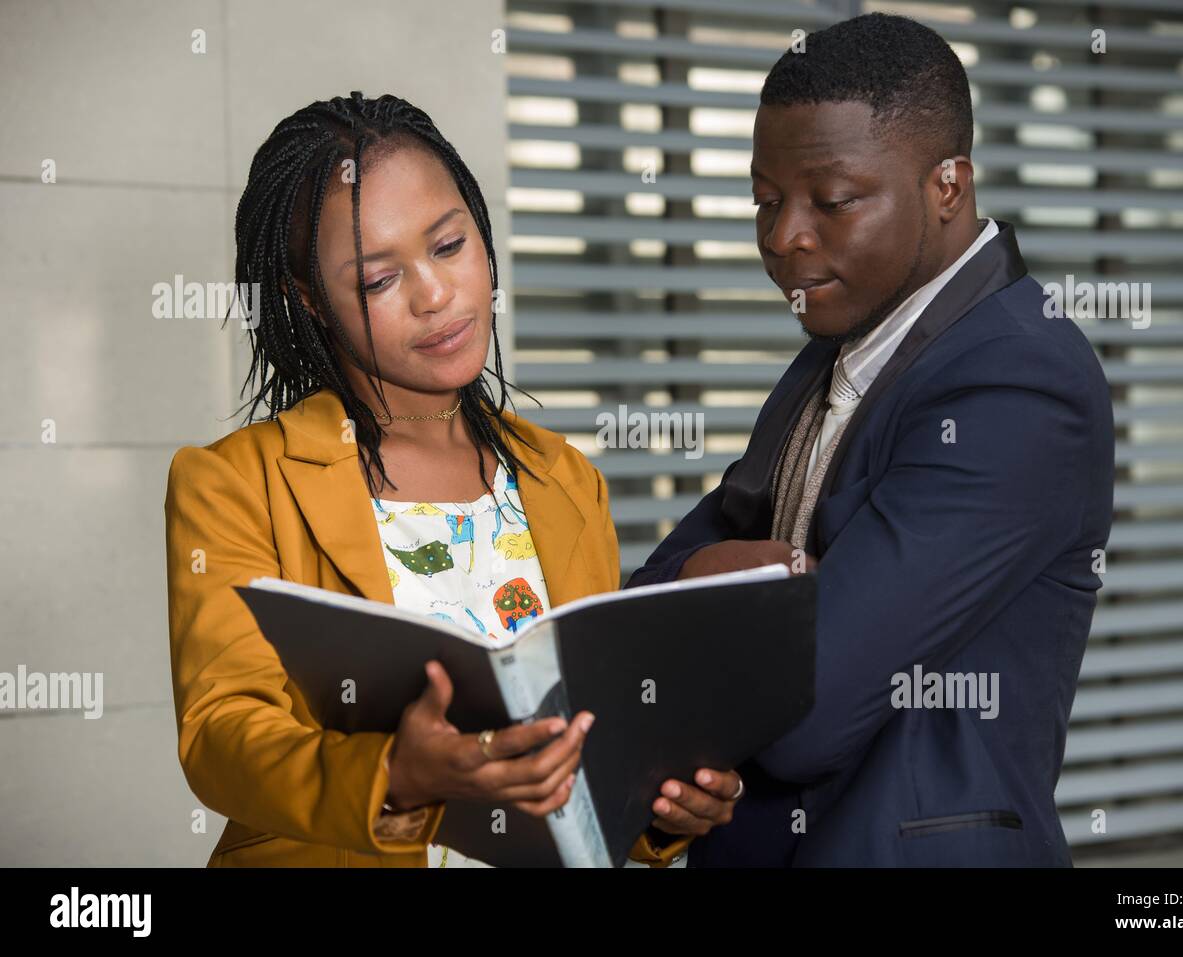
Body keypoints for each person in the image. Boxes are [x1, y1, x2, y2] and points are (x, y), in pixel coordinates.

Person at [164, 92, 741, 867]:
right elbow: (221, 734)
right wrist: (393, 778)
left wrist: (665, 807)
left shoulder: (563, 477)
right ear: (312, 300)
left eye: (448, 244)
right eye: (377, 280)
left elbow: (588, 741)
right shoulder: (235, 484)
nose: (435, 295)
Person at [627, 14, 1114, 866]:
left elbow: (806, 718)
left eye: (833, 200)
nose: (783, 238)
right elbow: (651, 590)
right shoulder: (845, 340)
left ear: (948, 187)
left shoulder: (1022, 380)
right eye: (766, 200)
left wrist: (696, 611)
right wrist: (710, 578)